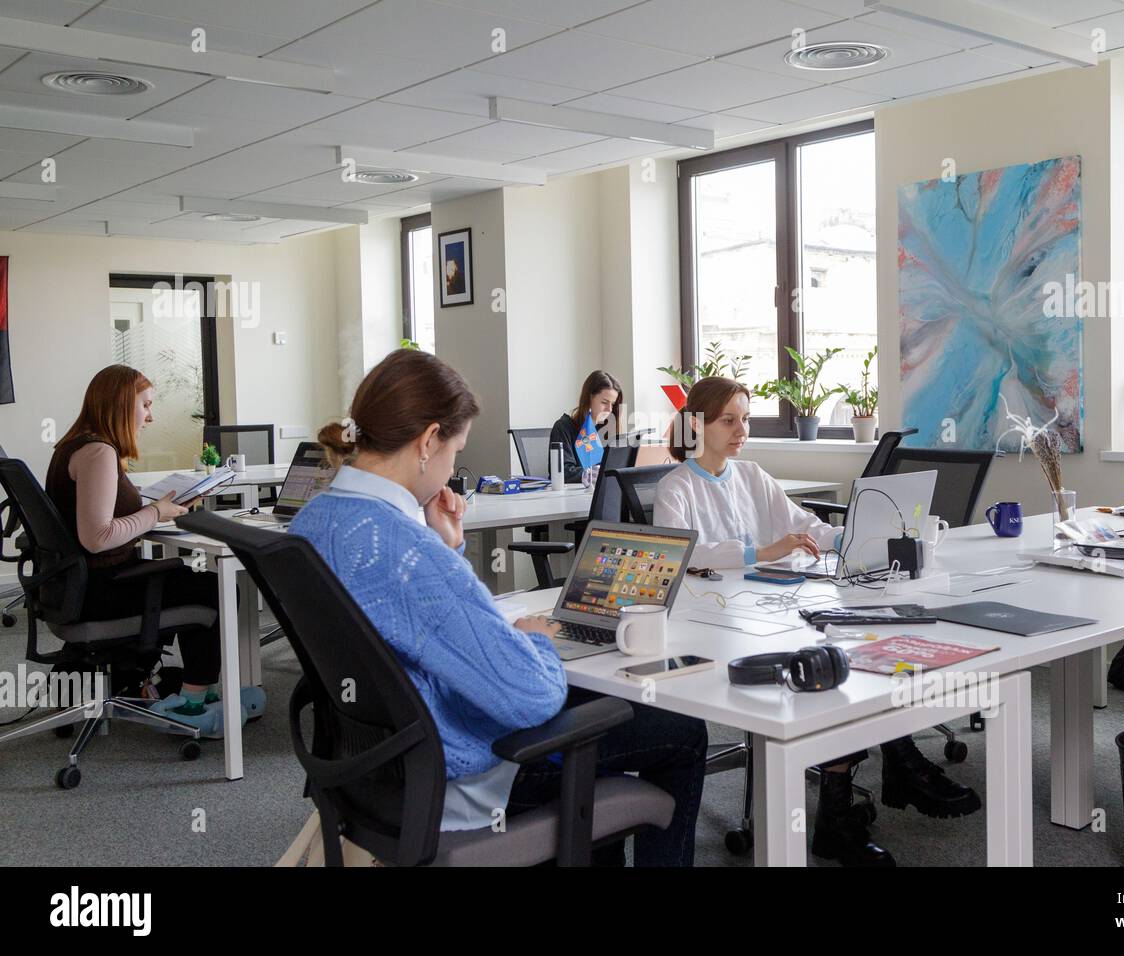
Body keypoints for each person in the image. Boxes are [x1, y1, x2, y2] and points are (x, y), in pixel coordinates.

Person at [291, 350, 706, 866]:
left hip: (374, 768)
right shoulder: (406, 549)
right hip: (465, 776)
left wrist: (446, 548)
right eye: (455, 451)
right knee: (682, 733)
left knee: (593, 708)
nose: (450, 470)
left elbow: (403, 619)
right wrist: (535, 638)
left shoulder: (314, 521)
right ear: (427, 442)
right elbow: (529, 698)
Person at [655, 376, 981, 867]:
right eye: (728, 420)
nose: (740, 429)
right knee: (825, 666)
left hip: (768, 605)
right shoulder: (675, 485)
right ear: (696, 424)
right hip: (714, 623)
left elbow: (806, 526)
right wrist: (761, 551)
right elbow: (684, 552)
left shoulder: (752, 476)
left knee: (852, 648)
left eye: (745, 418)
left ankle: (879, 773)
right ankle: (891, 770)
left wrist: (863, 536)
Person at [45, 365, 263, 737]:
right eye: (145, 405)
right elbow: (97, 537)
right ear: (119, 405)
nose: (150, 415)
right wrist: (154, 512)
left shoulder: (76, 445)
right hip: (102, 593)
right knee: (216, 590)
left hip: (76, 589)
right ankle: (194, 702)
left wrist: (153, 510)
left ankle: (196, 689)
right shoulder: (98, 452)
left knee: (192, 582)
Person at [549, 370, 624, 484]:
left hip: (602, 492)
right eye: (604, 402)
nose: (609, 409)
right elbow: (562, 472)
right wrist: (589, 475)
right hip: (574, 497)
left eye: (613, 404)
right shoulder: (563, 428)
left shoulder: (606, 429)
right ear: (589, 398)